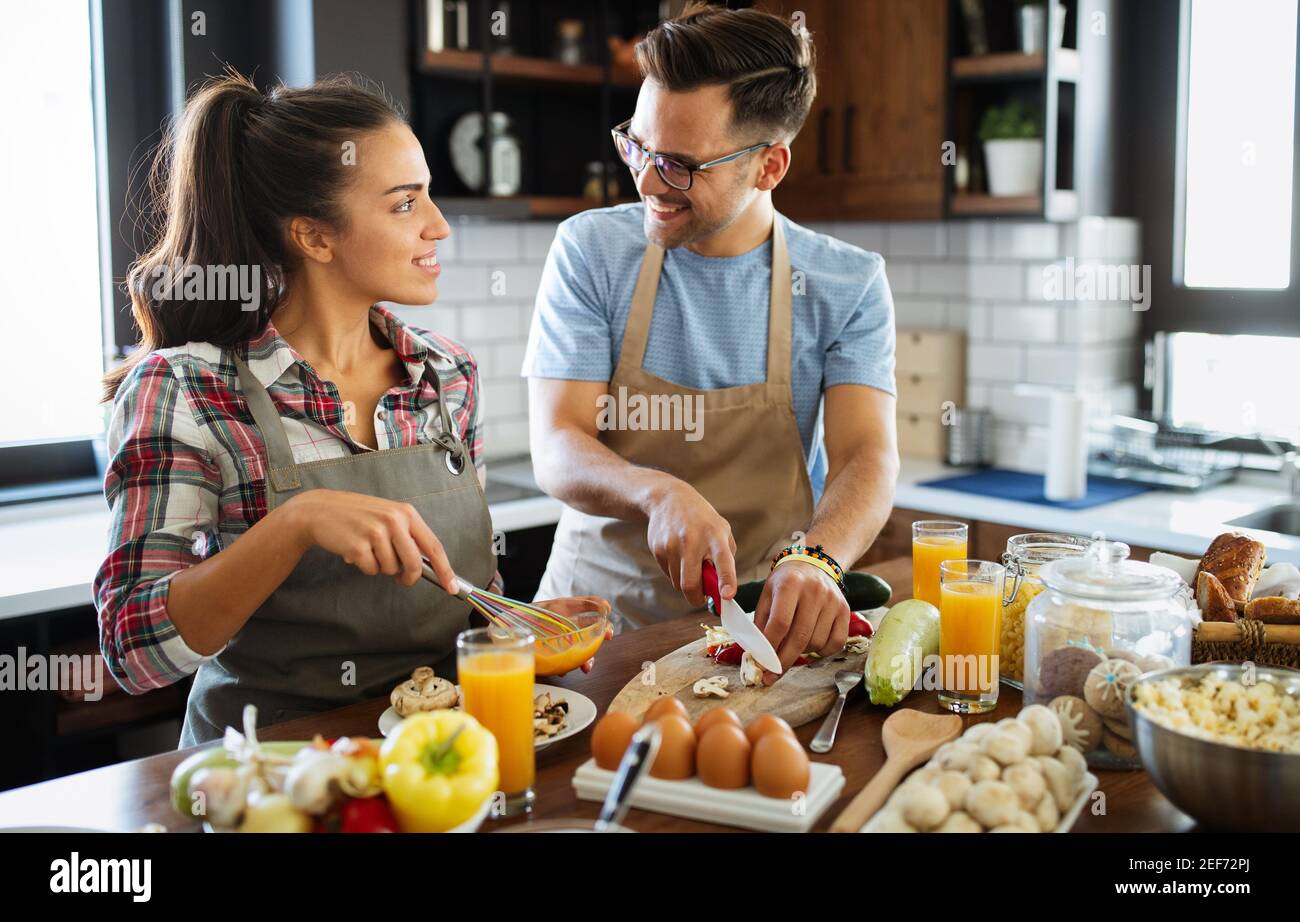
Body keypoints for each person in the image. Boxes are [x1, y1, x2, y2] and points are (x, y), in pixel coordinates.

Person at [94, 71, 608, 746]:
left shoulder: (446, 375)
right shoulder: (187, 390)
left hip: (438, 755)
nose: (439, 226)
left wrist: (517, 626)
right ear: (314, 237)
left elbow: (459, 594)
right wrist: (295, 524)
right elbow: (134, 650)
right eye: (404, 205)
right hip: (272, 780)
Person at [524, 5, 899, 682]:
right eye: (636, 145)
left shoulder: (848, 284)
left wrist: (816, 561)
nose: (644, 181)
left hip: (756, 638)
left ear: (769, 166)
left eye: (677, 165)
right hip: (588, 639)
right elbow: (557, 444)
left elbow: (866, 457)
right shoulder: (590, 251)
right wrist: (655, 491)